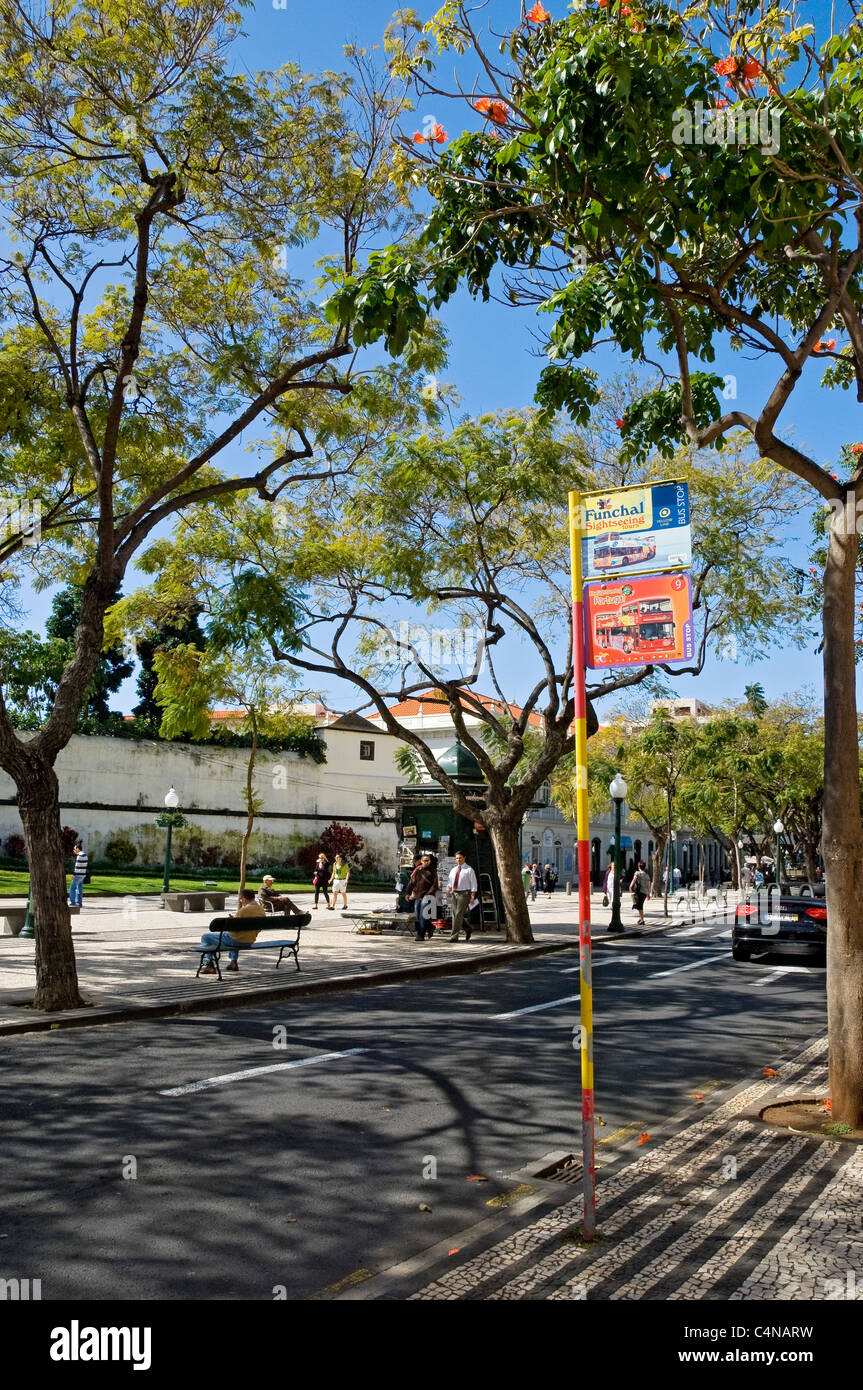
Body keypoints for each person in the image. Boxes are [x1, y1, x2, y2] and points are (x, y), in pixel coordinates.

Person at [199, 887, 266, 975]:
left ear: (244, 898)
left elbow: (233, 928)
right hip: (250, 940)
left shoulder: (243, 910)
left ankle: (209, 965)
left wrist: (232, 920)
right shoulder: (261, 910)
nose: (241, 901)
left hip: (237, 940)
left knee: (206, 937)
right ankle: (233, 963)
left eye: (241, 899)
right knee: (235, 935)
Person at [445, 850, 478, 942]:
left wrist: (472, 897)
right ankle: (468, 928)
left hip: (464, 894)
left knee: (458, 914)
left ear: (464, 858)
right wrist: (448, 887)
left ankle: (454, 936)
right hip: (454, 893)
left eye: (460, 858)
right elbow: (450, 881)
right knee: (455, 914)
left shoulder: (469, 870)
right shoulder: (453, 870)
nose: (458, 860)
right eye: (456, 858)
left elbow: (474, 884)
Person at [406, 853, 439, 941]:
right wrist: (407, 893)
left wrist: (428, 894)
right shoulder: (418, 870)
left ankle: (421, 934)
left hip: (427, 897)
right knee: (417, 915)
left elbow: (435, 885)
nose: (426, 862)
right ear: (421, 861)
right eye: (424, 861)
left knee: (423, 916)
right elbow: (411, 883)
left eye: (428, 861)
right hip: (417, 896)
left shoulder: (432, 871)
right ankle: (430, 927)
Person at [629, 860, 650, 926]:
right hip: (644, 892)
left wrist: (630, 886)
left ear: (639, 867)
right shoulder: (647, 875)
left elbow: (634, 880)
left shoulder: (637, 873)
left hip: (639, 891)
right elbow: (648, 885)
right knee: (640, 905)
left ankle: (642, 920)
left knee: (640, 906)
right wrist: (648, 894)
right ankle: (641, 919)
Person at [69, 842, 88, 908]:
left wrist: (74, 875)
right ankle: (79, 903)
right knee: (79, 889)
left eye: (74, 848)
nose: (74, 850)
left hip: (78, 875)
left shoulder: (79, 856)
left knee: (72, 888)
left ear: (77, 848)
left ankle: (73, 902)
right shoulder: (85, 855)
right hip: (83, 875)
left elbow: (77, 867)